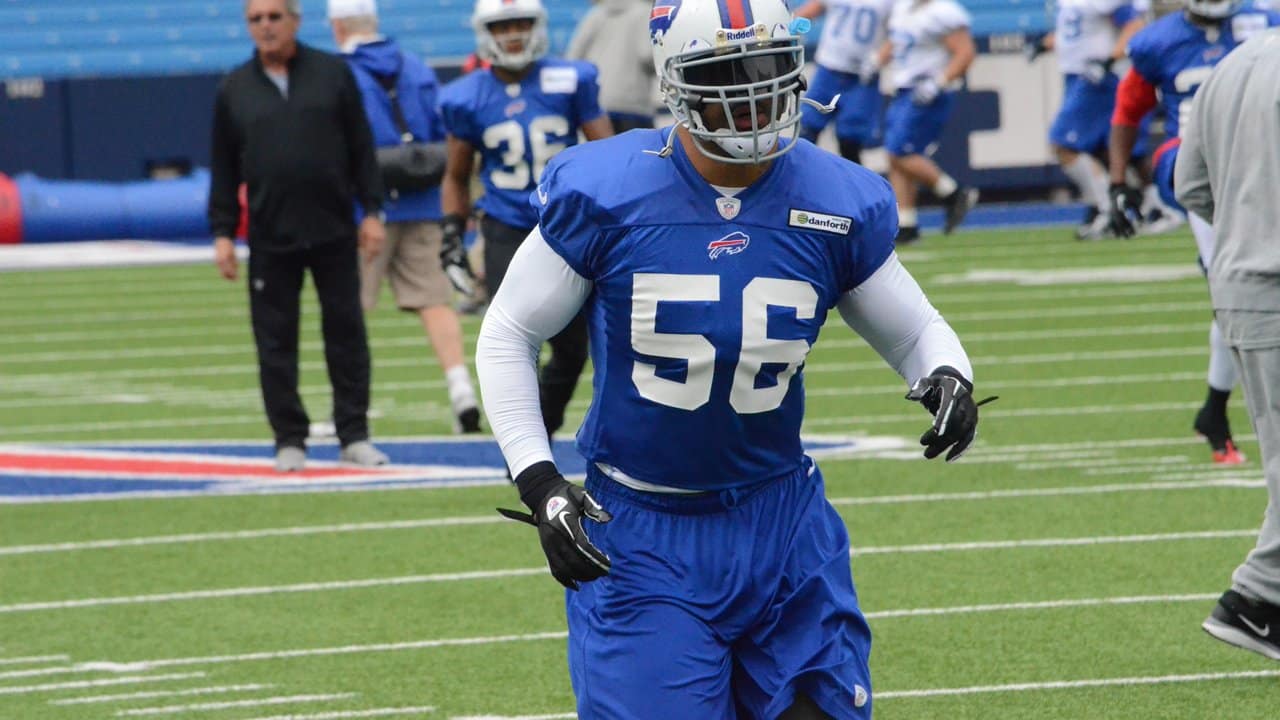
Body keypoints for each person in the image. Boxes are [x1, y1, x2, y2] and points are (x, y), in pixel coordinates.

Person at [475, 0, 985, 715]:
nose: (753, 92)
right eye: (727, 72)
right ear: (676, 82)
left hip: (784, 524)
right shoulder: (606, 190)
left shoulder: (833, 195)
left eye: (770, 69)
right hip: (643, 530)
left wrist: (948, 375)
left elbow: (913, 331)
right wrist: (539, 481)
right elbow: (508, 333)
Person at [208, 0, 389, 472]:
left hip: (332, 230)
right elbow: (224, 166)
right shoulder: (235, 88)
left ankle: (354, 434)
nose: (265, 26)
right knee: (274, 341)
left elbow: (361, 148)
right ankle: (289, 437)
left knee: (346, 334)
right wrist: (223, 232)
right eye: (256, 19)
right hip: (270, 236)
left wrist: (371, 211)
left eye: (274, 16)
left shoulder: (332, 74)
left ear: (295, 20)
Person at [1107, 0, 1280, 464]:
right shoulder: (1158, 41)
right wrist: (1118, 181)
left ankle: (1214, 410)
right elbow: (1128, 112)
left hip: (1258, 161)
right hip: (1194, 166)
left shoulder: (1265, 21)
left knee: (1239, 289)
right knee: (1236, 284)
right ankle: (1220, 411)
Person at [439, 0, 613, 442]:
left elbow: (607, 154)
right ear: (485, 33)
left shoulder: (572, 79)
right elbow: (457, 175)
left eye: (521, 23)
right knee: (515, 343)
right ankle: (525, 448)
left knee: (573, 349)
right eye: (502, 25)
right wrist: (451, 234)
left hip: (565, 226)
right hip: (504, 226)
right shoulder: (466, 96)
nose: (513, 33)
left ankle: (544, 425)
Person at [328, 0, 482, 434]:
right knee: (435, 302)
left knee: (346, 312)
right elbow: (444, 133)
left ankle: (345, 408)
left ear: (339, 27)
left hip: (366, 208)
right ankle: (460, 390)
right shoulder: (414, 66)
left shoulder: (337, 72)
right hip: (422, 199)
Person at [1175, 27, 1280, 661]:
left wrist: (1247, 228)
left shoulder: (1235, 62)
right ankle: (1254, 600)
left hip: (1242, 283)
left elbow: (1188, 185)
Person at [1025, 0, 1148, 240]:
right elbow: (1074, 32)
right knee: (1103, 149)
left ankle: (1109, 211)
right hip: (1077, 76)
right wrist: (1042, 45)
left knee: (1062, 144)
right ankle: (1122, 206)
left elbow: (1134, 25)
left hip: (1096, 78)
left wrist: (1109, 60)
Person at [878, 0, 979, 244]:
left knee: (900, 152)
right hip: (904, 88)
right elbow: (897, 41)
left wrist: (939, 82)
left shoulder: (943, 12)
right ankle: (907, 223)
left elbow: (965, 53)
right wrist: (876, 60)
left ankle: (952, 193)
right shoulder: (903, 7)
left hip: (927, 91)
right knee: (896, 155)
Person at [791, 0, 893, 165]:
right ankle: (800, 178)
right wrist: (786, 25)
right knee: (805, 129)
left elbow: (898, 33)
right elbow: (812, 10)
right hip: (829, 69)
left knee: (850, 140)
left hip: (862, 77)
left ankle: (852, 186)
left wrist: (878, 60)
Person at [565, 0, 657, 133]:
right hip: (633, 106)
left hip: (597, 105)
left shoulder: (595, 13)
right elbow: (646, 55)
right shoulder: (644, 12)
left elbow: (573, 56)